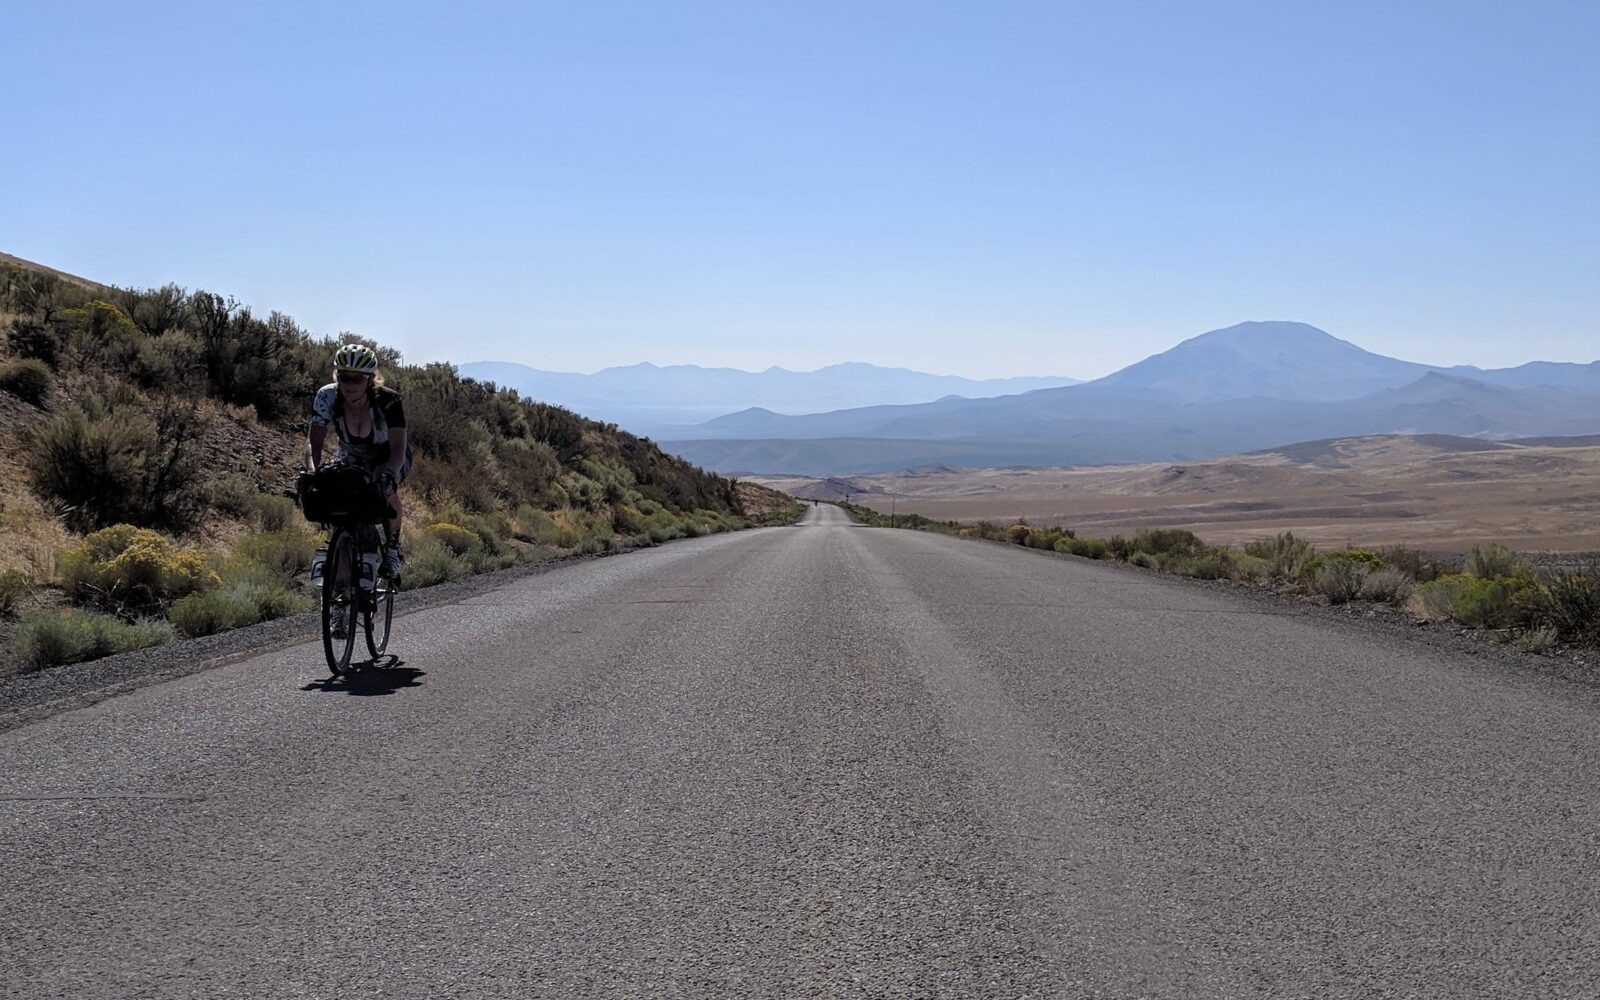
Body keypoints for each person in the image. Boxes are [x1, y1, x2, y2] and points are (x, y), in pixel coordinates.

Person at [307, 343, 411, 578]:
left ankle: (393, 549)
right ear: (337, 376)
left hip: (388, 455)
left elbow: (397, 448)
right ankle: (340, 596)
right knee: (338, 500)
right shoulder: (327, 396)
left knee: (385, 489)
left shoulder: (388, 401)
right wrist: (312, 472)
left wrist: (389, 476)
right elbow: (313, 443)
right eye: (344, 378)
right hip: (351, 453)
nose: (350, 385)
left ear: (370, 379)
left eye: (357, 379)